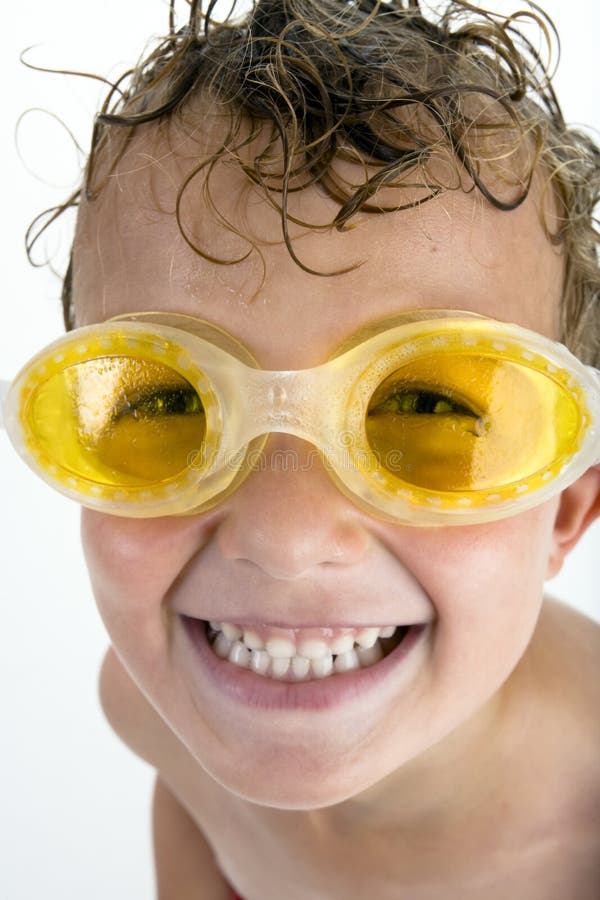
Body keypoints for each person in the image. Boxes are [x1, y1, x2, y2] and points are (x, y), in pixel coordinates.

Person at [3, 1, 600, 896]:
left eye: (424, 407)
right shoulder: (156, 715)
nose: (284, 540)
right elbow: (197, 812)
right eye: (169, 398)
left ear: (565, 510)